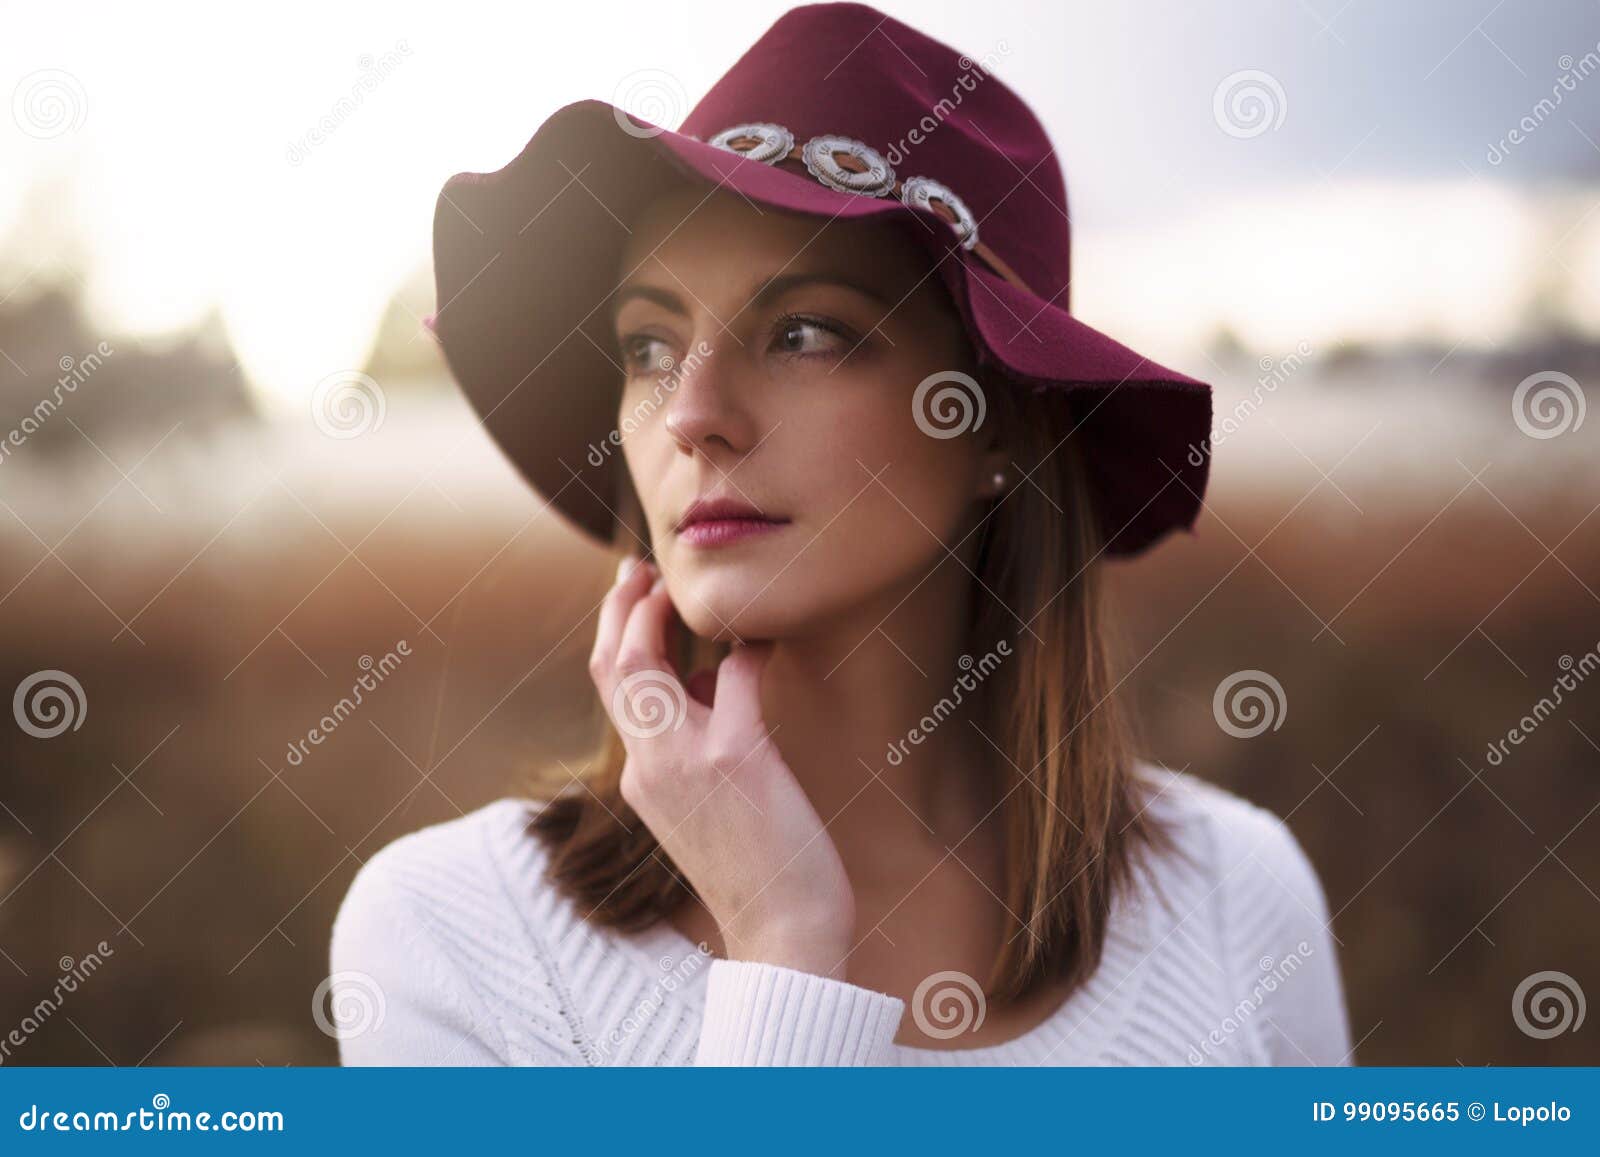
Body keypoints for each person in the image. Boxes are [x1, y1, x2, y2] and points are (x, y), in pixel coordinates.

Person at [330, 2, 1352, 1066]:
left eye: (804, 332)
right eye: (645, 344)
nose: (690, 412)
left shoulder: (1234, 898)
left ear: (993, 417)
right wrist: (781, 948)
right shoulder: (459, 935)